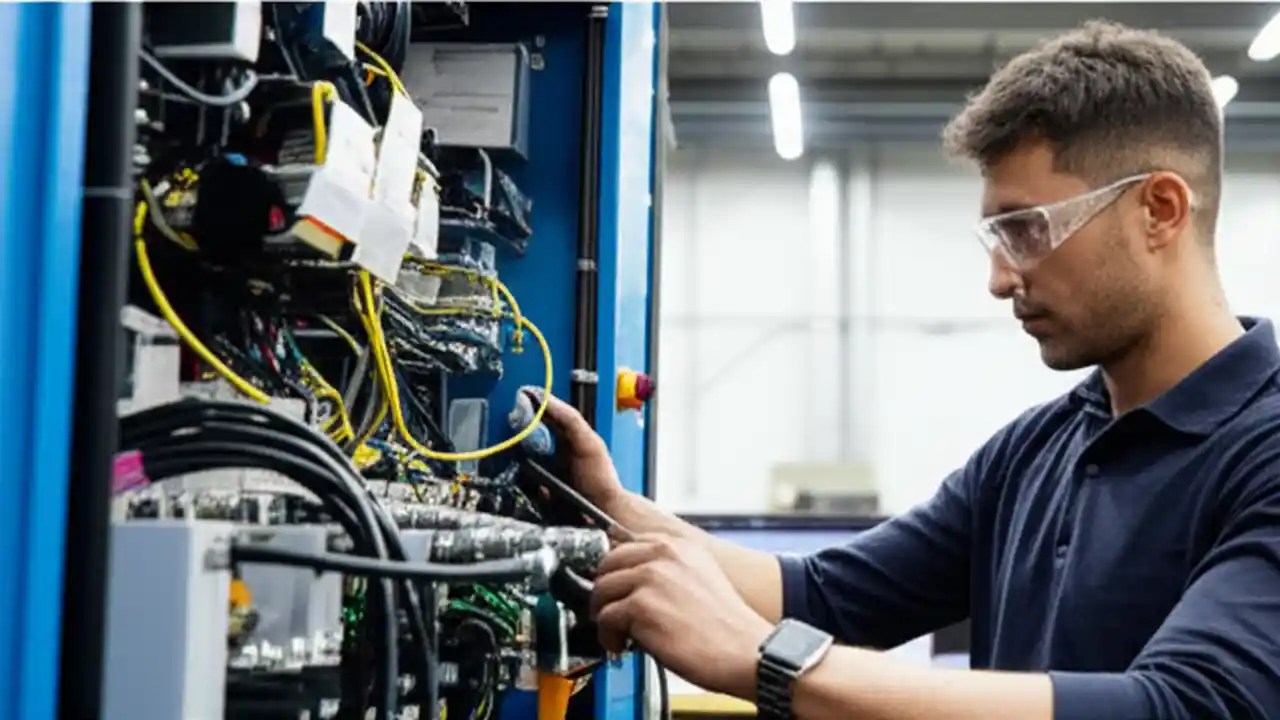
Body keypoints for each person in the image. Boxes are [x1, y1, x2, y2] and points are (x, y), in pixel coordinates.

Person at [535, 20, 1280, 720]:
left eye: (1027, 230)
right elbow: (827, 595)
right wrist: (618, 514)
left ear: (1160, 209)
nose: (999, 278)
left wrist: (768, 662)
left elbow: (1184, 703)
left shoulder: (1263, 449)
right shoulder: (1032, 454)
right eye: (995, 235)